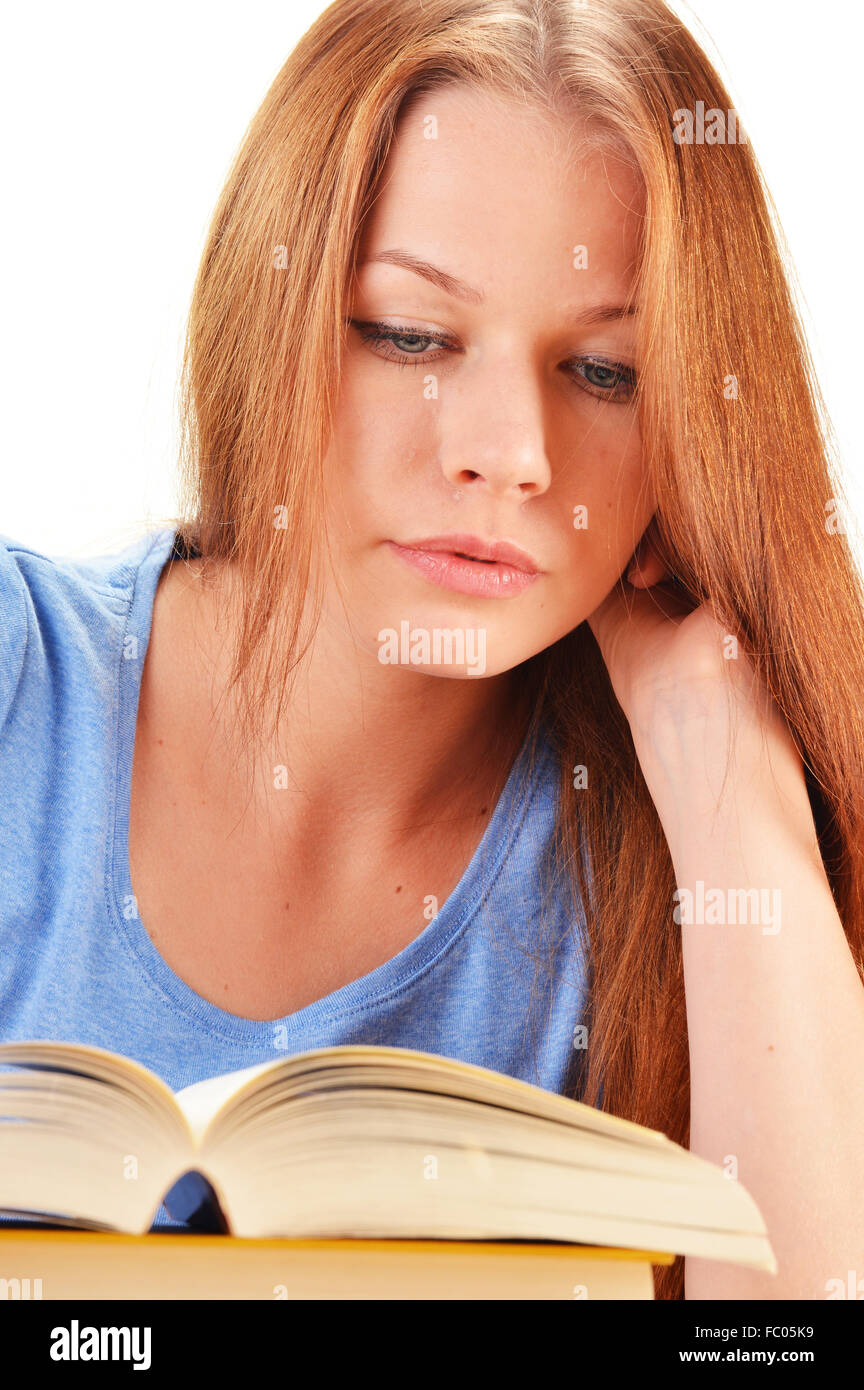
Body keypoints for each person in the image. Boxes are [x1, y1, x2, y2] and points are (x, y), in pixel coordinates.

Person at [1, 0, 862, 1301]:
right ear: (268, 319)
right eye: (411, 336)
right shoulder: (26, 680)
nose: (509, 452)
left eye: (607, 372)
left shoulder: (675, 873)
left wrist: (737, 805)